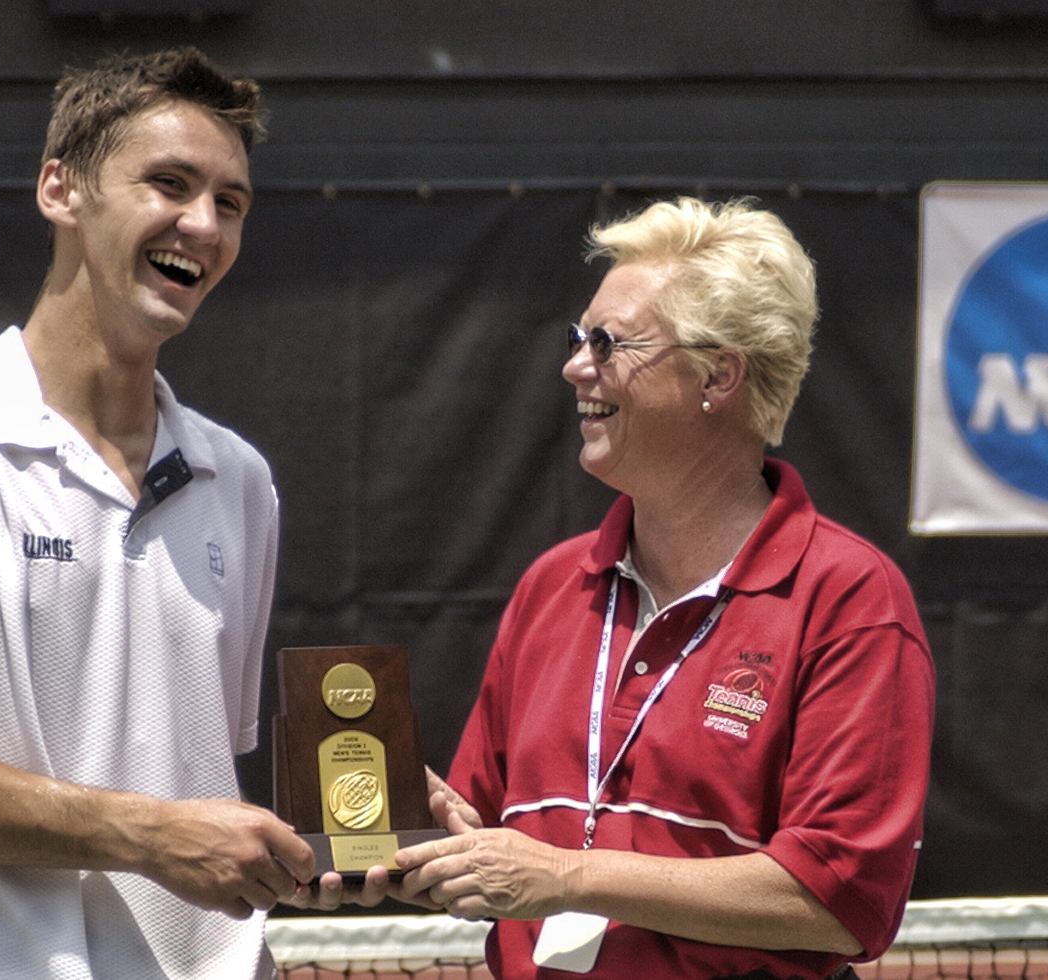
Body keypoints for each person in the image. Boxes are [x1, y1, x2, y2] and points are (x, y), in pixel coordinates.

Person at [0, 47, 325, 980]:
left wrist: (367, 814)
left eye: (230, 203)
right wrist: (149, 835)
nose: (201, 223)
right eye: (169, 183)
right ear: (60, 190)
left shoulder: (238, 479)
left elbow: (189, 778)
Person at [392, 197, 935, 980]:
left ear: (717, 376)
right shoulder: (554, 584)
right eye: (578, 339)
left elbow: (839, 902)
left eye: (608, 342)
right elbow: (488, 837)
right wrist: (395, 826)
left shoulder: (850, 599)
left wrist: (568, 875)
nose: (576, 366)